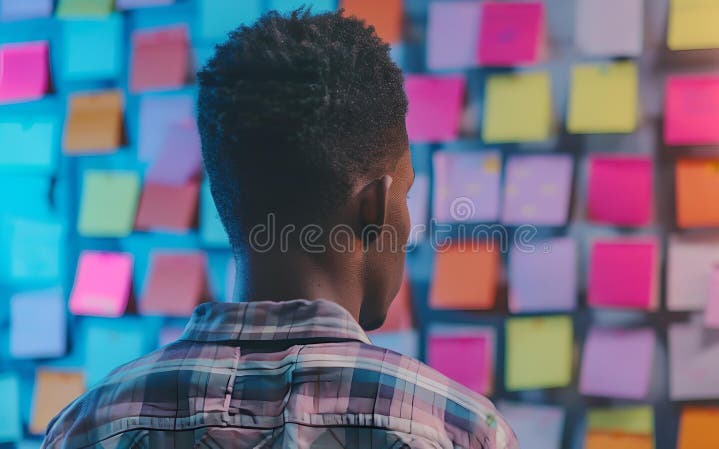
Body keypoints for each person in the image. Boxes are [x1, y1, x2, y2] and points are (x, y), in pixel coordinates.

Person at [43, 8, 518, 449]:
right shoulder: (457, 429)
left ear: (224, 198)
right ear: (373, 206)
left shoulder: (90, 425)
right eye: (406, 195)